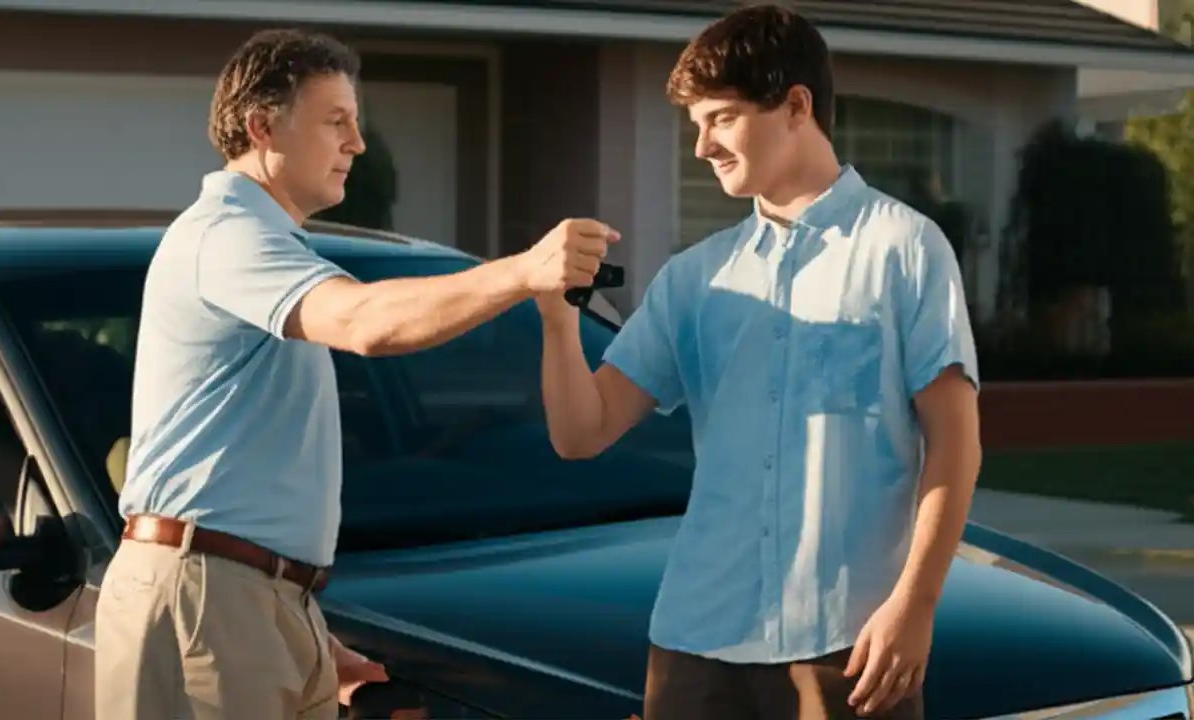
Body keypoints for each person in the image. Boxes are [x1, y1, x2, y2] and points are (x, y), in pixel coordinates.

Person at [94, 28, 618, 720]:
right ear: (262, 126)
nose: (358, 144)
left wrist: (291, 624)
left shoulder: (269, 243)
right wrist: (523, 271)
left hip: (253, 603)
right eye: (336, 120)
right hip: (209, 604)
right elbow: (366, 322)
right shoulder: (225, 236)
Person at [535, 5, 980, 720]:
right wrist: (556, 316)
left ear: (796, 105)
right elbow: (580, 433)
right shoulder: (695, 278)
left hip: (848, 645)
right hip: (694, 642)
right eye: (697, 127)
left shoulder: (905, 248)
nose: (703, 146)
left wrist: (915, 605)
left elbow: (955, 442)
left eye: (722, 118)